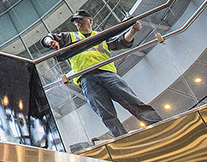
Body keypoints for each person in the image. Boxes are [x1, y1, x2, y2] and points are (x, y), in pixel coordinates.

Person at [41, 10, 162, 138]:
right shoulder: (69, 37)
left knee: (130, 100)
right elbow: (47, 38)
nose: (78, 24)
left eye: (81, 20)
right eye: (76, 22)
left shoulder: (101, 36)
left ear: (90, 20)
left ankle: (157, 124)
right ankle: (122, 138)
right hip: (86, 78)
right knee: (105, 113)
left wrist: (133, 31)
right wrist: (50, 42)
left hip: (107, 73)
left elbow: (120, 42)